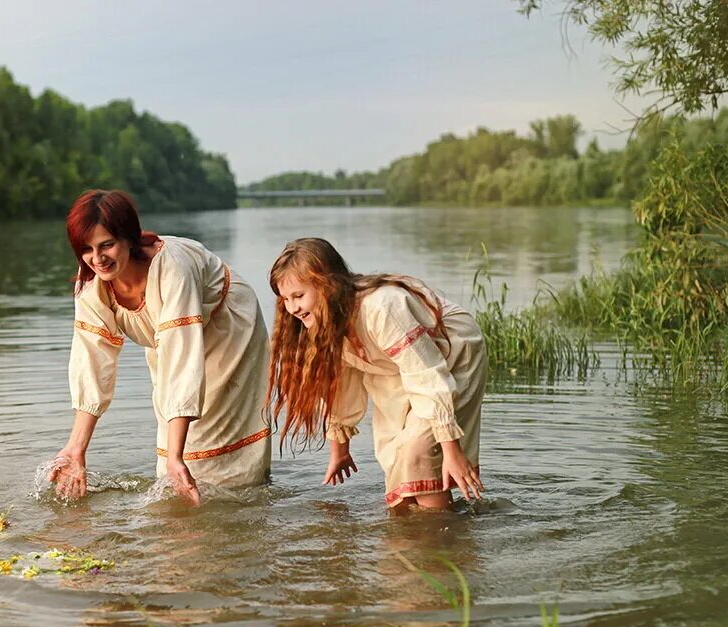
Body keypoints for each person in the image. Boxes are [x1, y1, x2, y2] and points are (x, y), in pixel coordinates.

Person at [50, 189, 270, 504]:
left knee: (213, 435)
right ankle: (184, 487)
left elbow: (184, 359)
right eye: (86, 249)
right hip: (167, 333)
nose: (97, 259)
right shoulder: (90, 286)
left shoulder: (173, 269)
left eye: (107, 245)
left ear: (129, 238)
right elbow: (91, 363)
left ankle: (242, 502)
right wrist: (76, 448)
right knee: (172, 438)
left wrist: (177, 456)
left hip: (226, 326)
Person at [267, 237, 486, 510]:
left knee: (417, 452)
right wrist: (340, 450)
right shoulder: (322, 321)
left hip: (449, 351)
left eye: (299, 296)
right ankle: (419, 537)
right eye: (285, 299)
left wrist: (451, 451)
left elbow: (426, 375)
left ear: (329, 286)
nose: (293, 308)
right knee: (396, 456)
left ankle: (441, 538)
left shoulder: (382, 308)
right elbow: (341, 383)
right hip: (390, 362)